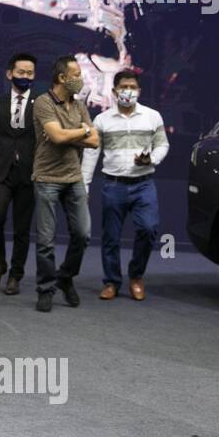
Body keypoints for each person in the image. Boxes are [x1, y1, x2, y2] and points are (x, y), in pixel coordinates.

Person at [82, 70, 169, 301]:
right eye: (123, 87)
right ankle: (111, 281)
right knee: (111, 236)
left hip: (144, 183)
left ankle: (136, 275)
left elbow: (162, 145)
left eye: (132, 87)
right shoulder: (102, 120)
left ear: (139, 90)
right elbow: (91, 153)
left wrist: (151, 158)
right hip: (114, 184)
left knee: (148, 229)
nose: (128, 91)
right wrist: (85, 185)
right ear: (114, 91)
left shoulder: (153, 116)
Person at [31, 55, 100, 313]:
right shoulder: (43, 102)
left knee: (83, 234)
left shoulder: (80, 106)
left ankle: (66, 276)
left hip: (74, 178)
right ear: (62, 78)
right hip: (47, 178)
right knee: (46, 241)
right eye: (77, 75)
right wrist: (80, 132)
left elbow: (94, 141)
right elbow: (56, 136)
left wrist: (78, 134)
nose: (81, 80)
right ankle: (45, 288)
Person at [0, 52, 37, 295]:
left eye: (30, 73)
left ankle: (15, 275)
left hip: (29, 173)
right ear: (9, 74)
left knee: (22, 228)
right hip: (1, 171)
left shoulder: (40, 103)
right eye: (21, 72)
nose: (25, 77)